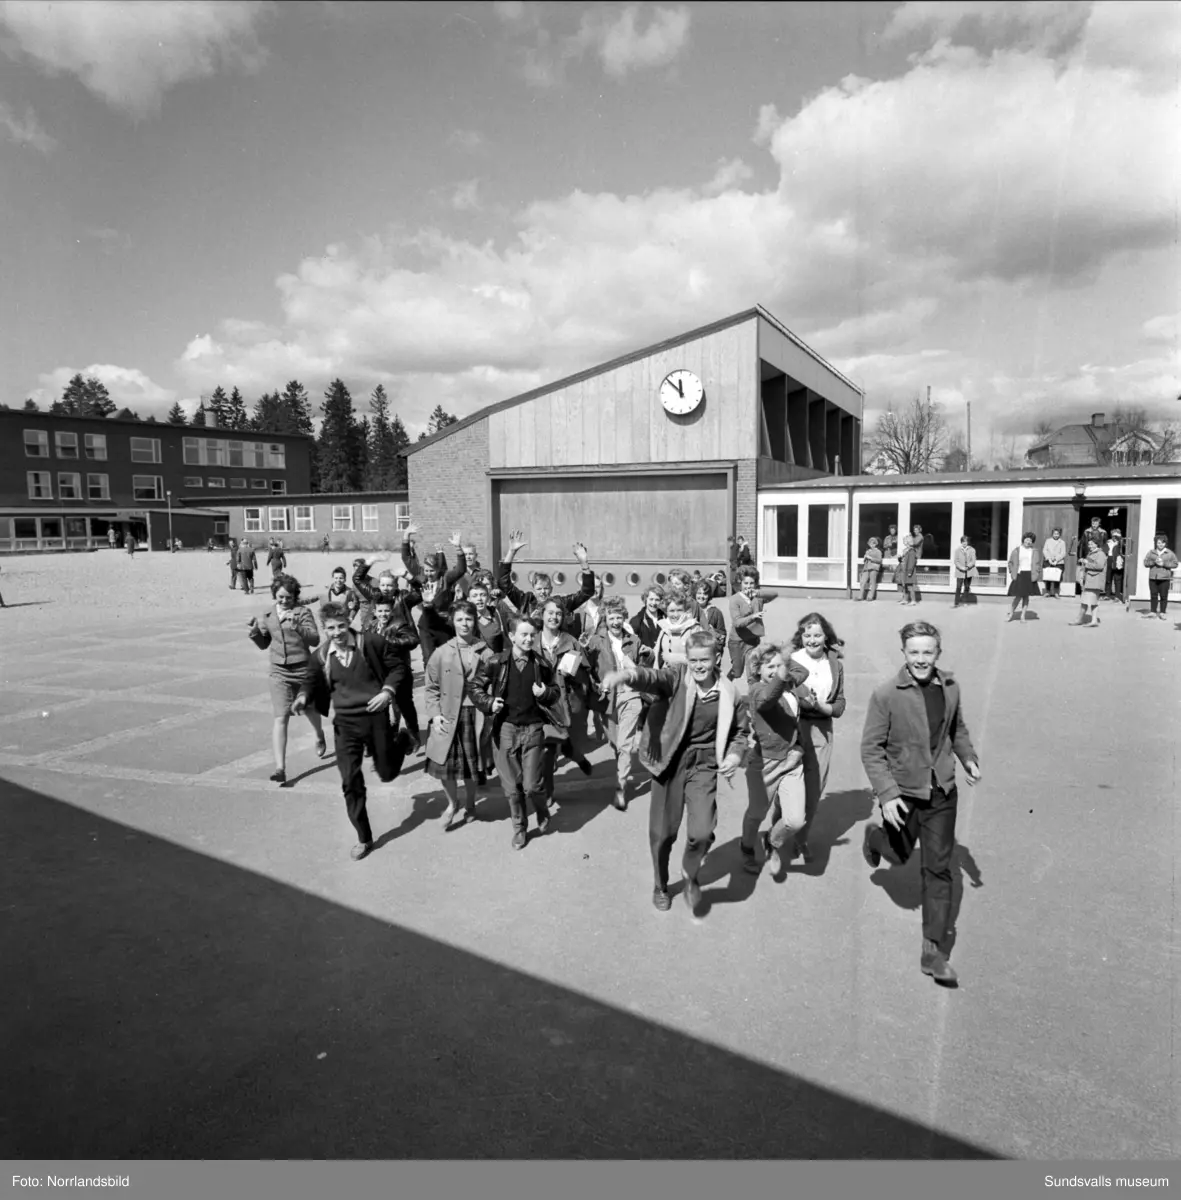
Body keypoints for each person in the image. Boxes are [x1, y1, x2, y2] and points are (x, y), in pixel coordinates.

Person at [861, 621, 982, 986]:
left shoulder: (950, 687)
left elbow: (956, 730)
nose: (921, 659)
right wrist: (887, 794)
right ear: (904, 653)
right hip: (903, 795)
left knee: (938, 869)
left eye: (927, 652)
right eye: (914, 652)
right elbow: (871, 749)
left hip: (942, 792)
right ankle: (876, 838)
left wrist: (968, 758)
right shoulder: (887, 695)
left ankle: (933, 950)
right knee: (898, 856)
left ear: (938, 653)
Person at [600, 629, 750, 915]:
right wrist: (625, 676)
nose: (698, 666)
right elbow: (652, 678)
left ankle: (690, 871)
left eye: (704, 660)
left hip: (704, 765)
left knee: (702, 833)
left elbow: (740, 731)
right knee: (663, 833)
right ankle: (661, 885)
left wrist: (734, 753)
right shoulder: (678, 678)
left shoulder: (729, 692)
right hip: (669, 762)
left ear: (717, 657)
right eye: (693, 660)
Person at [293, 602, 409, 861]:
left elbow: (398, 668)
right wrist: (302, 697)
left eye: (341, 626)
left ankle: (401, 741)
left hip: (375, 717)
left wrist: (387, 692)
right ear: (324, 630)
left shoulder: (371, 643)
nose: (337, 632)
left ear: (349, 622)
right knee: (350, 781)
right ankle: (364, 837)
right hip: (345, 725)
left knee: (388, 773)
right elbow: (310, 679)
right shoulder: (321, 656)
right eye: (331, 628)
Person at [470, 616, 564, 850]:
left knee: (531, 786)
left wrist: (544, 693)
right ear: (511, 637)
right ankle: (520, 828)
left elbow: (555, 692)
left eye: (532, 634)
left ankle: (542, 810)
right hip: (506, 729)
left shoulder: (542, 664)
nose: (529, 638)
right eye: (523, 634)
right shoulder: (495, 662)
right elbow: (474, 687)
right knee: (512, 788)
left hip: (533, 728)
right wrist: (489, 702)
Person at [738, 642, 812, 877]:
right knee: (757, 813)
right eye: (768, 666)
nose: (775, 670)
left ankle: (772, 841)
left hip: (792, 760)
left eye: (778, 666)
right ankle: (747, 847)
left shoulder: (788, 682)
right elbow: (769, 699)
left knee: (795, 821)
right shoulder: (757, 690)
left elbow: (803, 672)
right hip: (765, 764)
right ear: (757, 670)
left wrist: (786, 658)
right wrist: (781, 672)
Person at [248, 574, 328, 785]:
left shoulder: (303, 612)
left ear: (295, 596)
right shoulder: (267, 614)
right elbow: (264, 643)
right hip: (278, 672)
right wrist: (255, 632)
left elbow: (314, 639)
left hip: (303, 668)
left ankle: (319, 735)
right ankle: (280, 768)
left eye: (289, 597)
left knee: (310, 710)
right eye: (281, 597)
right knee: (281, 717)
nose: (284, 601)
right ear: (275, 595)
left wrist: (298, 627)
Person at [424, 600, 495, 830]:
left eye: (469, 619)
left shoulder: (486, 652)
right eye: (460, 619)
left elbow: (494, 686)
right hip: (447, 716)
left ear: (475, 621)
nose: (465, 624)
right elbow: (431, 687)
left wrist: (491, 710)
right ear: (453, 622)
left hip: (475, 716)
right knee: (446, 768)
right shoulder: (441, 653)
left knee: (470, 768)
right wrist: (434, 715)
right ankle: (452, 804)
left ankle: (471, 802)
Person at [789, 612, 847, 865]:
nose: (812, 639)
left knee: (813, 791)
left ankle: (800, 839)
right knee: (788, 786)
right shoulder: (790, 661)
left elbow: (841, 703)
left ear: (826, 637)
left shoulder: (834, 663)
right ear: (801, 637)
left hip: (822, 729)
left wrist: (827, 708)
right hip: (792, 727)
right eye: (807, 634)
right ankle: (778, 829)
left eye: (817, 635)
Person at [586, 596, 651, 811]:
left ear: (624, 618)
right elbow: (588, 667)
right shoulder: (596, 640)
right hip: (607, 698)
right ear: (605, 618)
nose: (615, 622)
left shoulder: (633, 640)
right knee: (615, 742)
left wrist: (647, 657)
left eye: (619, 618)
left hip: (630, 696)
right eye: (612, 618)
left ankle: (621, 787)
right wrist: (594, 684)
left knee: (624, 745)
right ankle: (622, 767)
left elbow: (642, 670)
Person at [535, 598, 595, 802]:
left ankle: (577, 756)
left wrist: (573, 672)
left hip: (567, 702)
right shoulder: (532, 641)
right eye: (550, 612)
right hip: (542, 704)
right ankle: (548, 792)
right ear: (542, 614)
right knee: (547, 750)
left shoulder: (571, 641)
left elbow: (585, 673)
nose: (553, 617)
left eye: (558, 614)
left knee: (563, 741)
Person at [494, 530, 596, 636]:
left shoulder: (560, 603)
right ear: (533, 589)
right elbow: (503, 582)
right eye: (539, 589)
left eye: (546, 588)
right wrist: (511, 552)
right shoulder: (525, 601)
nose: (542, 592)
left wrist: (584, 563)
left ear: (551, 589)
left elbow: (587, 592)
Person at [400, 526, 468, 665]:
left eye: (432, 571)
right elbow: (406, 558)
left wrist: (458, 548)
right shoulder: (421, 576)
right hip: (427, 626)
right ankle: (431, 686)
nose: (429, 574)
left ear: (438, 570)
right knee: (429, 659)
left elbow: (461, 569)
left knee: (448, 658)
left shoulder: (445, 579)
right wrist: (406, 535)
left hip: (444, 624)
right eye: (427, 570)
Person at [364, 592, 423, 750]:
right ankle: (380, 741)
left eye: (386, 611)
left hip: (399, 672)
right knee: (378, 708)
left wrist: (390, 641)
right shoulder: (370, 625)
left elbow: (413, 640)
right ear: (375, 611)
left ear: (392, 611)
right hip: (379, 673)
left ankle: (414, 734)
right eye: (380, 611)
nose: (383, 614)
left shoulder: (399, 624)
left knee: (404, 705)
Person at [727, 567, 766, 680]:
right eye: (746, 583)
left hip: (752, 641)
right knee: (737, 672)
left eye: (752, 583)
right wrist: (752, 617)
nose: (748, 586)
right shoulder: (734, 599)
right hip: (737, 641)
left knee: (753, 671)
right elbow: (737, 623)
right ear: (740, 583)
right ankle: (723, 687)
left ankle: (755, 695)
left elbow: (774, 594)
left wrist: (758, 592)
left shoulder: (758, 598)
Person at [655, 594, 704, 669]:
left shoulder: (694, 629)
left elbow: (703, 654)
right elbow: (656, 654)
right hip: (666, 675)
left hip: (688, 674)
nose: (676, 614)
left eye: (679, 610)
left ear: (685, 610)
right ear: (666, 612)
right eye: (672, 611)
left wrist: (678, 660)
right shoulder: (664, 628)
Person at [1006, 531, 1042, 623]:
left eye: (1030, 540)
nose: (1028, 541)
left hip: (1030, 574)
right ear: (1023, 540)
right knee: (1018, 597)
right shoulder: (1017, 550)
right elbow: (1010, 562)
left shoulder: (1035, 551)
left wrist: (1037, 572)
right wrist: (1011, 571)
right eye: (1026, 539)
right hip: (1019, 574)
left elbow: (1038, 564)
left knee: (1026, 597)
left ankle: (1023, 616)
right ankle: (1011, 614)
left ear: (1032, 542)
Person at [1070, 540, 1107, 628]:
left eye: (1092, 544)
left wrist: (1086, 563)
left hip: (1094, 580)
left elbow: (1099, 566)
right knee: (1091, 601)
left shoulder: (1100, 554)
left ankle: (1080, 619)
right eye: (1089, 544)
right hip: (1090, 580)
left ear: (1097, 544)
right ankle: (1093, 620)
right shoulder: (1091, 553)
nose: (1089, 545)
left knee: (1085, 601)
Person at [466, 577, 506, 653]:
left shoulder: (496, 613)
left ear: (488, 597)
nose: (479, 599)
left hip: (497, 661)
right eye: (475, 596)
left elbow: (514, 623)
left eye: (482, 595)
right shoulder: (466, 618)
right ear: (469, 599)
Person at [1144, 534, 1178, 619]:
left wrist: (1164, 564)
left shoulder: (1170, 553)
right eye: (1158, 543)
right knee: (1153, 595)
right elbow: (1145, 563)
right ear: (1156, 543)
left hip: (1164, 578)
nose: (1160, 545)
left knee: (1163, 596)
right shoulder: (1151, 552)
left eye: (1162, 543)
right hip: (1153, 578)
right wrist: (1153, 562)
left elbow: (1175, 564)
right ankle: (1153, 612)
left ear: (1165, 543)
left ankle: (1162, 612)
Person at [694, 578, 728, 648]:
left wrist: (713, 632)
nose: (702, 596)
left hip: (710, 648)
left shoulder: (716, 612)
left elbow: (722, 635)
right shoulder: (690, 610)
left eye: (705, 594)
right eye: (699, 593)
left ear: (709, 595)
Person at [631, 585, 665, 654]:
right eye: (651, 599)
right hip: (645, 662)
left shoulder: (666, 618)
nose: (654, 603)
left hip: (663, 662)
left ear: (661, 601)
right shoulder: (636, 621)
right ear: (645, 600)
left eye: (657, 600)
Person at [1042, 528, 1067, 598]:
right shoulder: (1048, 541)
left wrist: (1056, 560)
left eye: (1057, 534)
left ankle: (1056, 592)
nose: (1056, 535)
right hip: (1048, 561)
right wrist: (1049, 558)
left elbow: (1063, 553)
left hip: (1059, 562)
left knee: (1057, 577)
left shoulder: (1062, 542)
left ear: (1060, 534)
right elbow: (1045, 550)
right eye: (1054, 534)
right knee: (1048, 577)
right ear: (1052, 534)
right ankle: (1047, 592)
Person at [953, 535, 977, 607]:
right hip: (960, 571)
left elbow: (973, 561)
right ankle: (956, 602)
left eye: (966, 541)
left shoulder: (972, 550)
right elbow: (956, 561)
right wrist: (961, 567)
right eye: (963, 541)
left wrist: (967, 566)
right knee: (958, 587)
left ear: (968, 542)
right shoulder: (957, 550)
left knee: (966, 587)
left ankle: (965, 601)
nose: (964, 543)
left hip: (968, 571)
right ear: (961, 542)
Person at [896, 533, 919, 606]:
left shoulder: (911, 551)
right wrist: (899, 558)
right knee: (904, 585)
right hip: (903, 570)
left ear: (908, 542)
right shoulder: (906, 550)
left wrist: (910, 571)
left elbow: (912, 562)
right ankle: (905, 599)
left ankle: (913, 600)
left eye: (905, 541)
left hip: (908, 571)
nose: (904, 542)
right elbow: (903, 560)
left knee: (910, 586)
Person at [1105, 529, 1125, 602]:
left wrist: (1119, 539)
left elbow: (1123, 547)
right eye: (1113, 535)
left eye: (1116, 535)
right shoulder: (1108, 541)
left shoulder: (1121, 541)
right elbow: (1104, 549)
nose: (1114, 537)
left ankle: (1117, 595)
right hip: (1109, 559)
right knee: (1108, 577)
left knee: (1117, 578)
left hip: (1117, 560)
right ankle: (1107, 594)